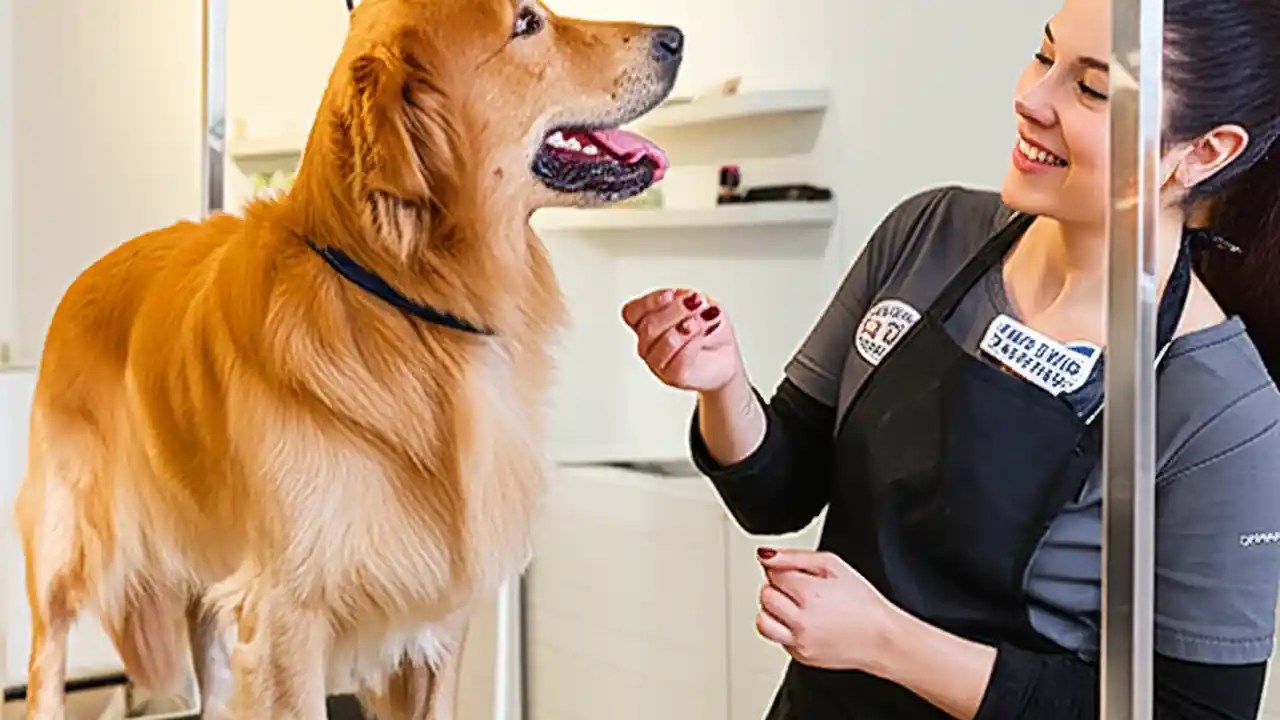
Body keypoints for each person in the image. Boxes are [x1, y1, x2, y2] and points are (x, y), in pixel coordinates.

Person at [620, 0, 1280, 717]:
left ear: (1205, 151)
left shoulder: (1218, 404)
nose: (1031, 98)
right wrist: (721, 385)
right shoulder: (929, 235)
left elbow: (1193, 711)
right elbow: (777, 492)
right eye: (1044, 54)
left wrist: (885, 641)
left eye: (1091, 88)